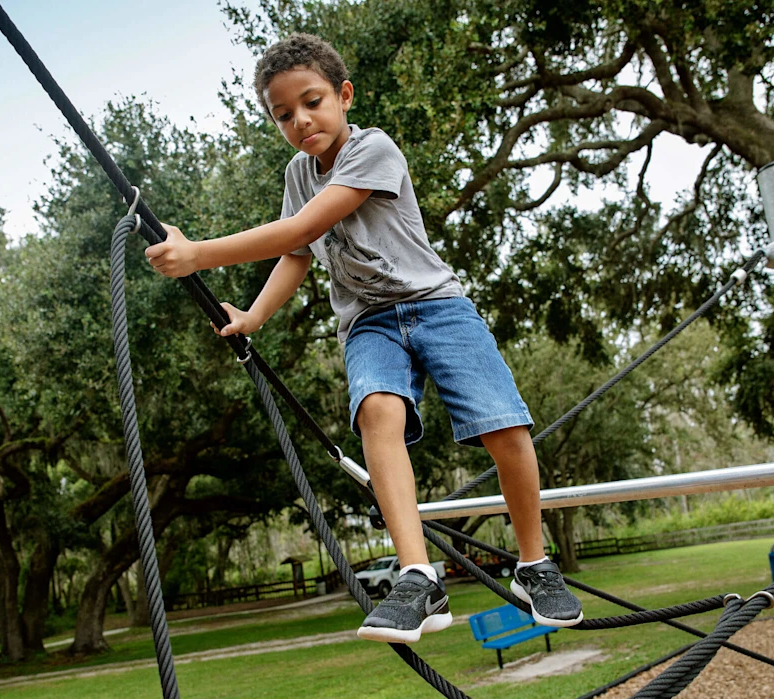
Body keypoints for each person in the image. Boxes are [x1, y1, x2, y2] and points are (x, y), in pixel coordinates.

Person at [145, 32, 582, 644]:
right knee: (378, 414)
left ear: (344, 96)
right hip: (370, 322)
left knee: (501, 424)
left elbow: (301, 226)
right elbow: (298, 253)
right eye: (283, 114)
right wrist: (253, 317)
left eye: (312, 101)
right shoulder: (300, 173)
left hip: (436, 305)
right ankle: (417, 577)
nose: (301, 121)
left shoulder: (373, 149)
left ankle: (535, 565)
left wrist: (197, 255)